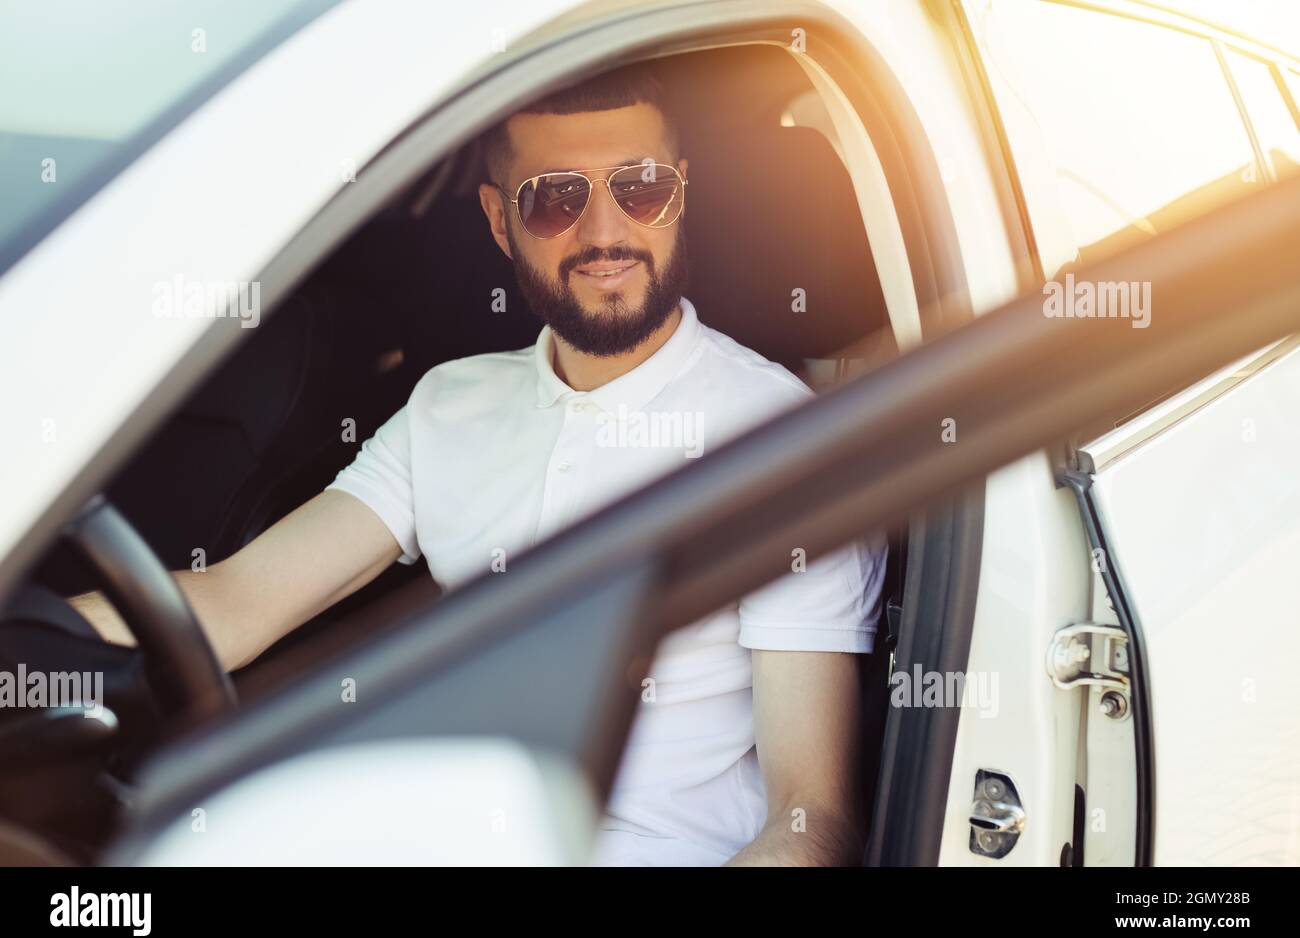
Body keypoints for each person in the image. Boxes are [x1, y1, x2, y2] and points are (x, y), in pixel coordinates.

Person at [74, 64, 887, 866]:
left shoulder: (784, 440)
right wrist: (36, 634)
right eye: (555, 199)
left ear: (681, 193)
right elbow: (235, 604)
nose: (604, 232)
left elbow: (812, 820)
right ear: (500, 222)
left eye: (640, 188)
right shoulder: (449, 405)